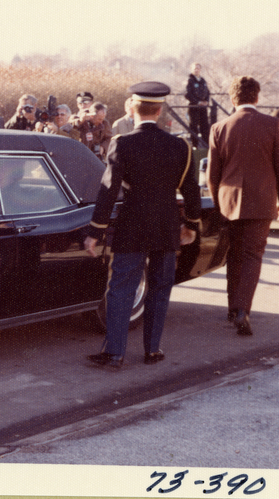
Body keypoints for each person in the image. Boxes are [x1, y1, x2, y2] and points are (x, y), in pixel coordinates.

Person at [84, 81, 201, 368]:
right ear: (160, 110)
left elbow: (108, 191)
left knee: (121, 287)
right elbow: (191, 191)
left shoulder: (122, 144)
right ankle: (153, 351)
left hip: (132, 225)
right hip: (166, 225)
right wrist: (191, 225)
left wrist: (95, 231)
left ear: (132, 108)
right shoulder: (180, 146)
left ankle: (114, 353)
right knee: (161, 288)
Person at [207, 76, 279, 336]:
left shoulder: (219, 127)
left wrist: (217, 201)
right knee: (253, 255)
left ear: (233, 99)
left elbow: (212, 174)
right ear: (257, 97)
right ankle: (243, 309)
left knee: (233, 254)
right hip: (261, 200)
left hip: (228, 201)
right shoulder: (272, 125)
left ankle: (233, 308)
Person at [185, 62, 210, 146]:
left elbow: (207, 92)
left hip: (203, 108)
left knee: (205, 127)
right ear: (191, 69)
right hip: (193, 107)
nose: (196, 70)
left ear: (200, 70)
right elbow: (187, 94)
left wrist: (206, 101)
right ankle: (195, 146)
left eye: (198, 68)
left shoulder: (203, 81)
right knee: (193, 127)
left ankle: (206, 145)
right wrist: (198, 102)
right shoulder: (189, 80)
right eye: (195, 68)